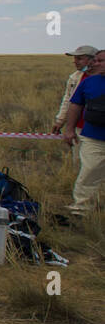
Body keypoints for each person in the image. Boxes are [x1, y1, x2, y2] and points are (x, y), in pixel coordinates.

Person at [63, 48, 105, 222]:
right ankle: (81, 209)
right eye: (95, 61)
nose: (96, 64)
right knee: (89, 172)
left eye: (101, 61)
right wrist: (69, 129)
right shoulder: (88, 82)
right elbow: (75, 105)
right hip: (93, 136)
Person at [53, 46, 97, 161]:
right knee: (78, 160)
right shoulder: (75, 78)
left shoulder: (101, 78)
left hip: (97, 128)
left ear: (93, 60)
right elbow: (68, 100)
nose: (75, 62)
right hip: (78, 127)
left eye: (79, 58)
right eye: (75, 58)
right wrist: (60, 120)